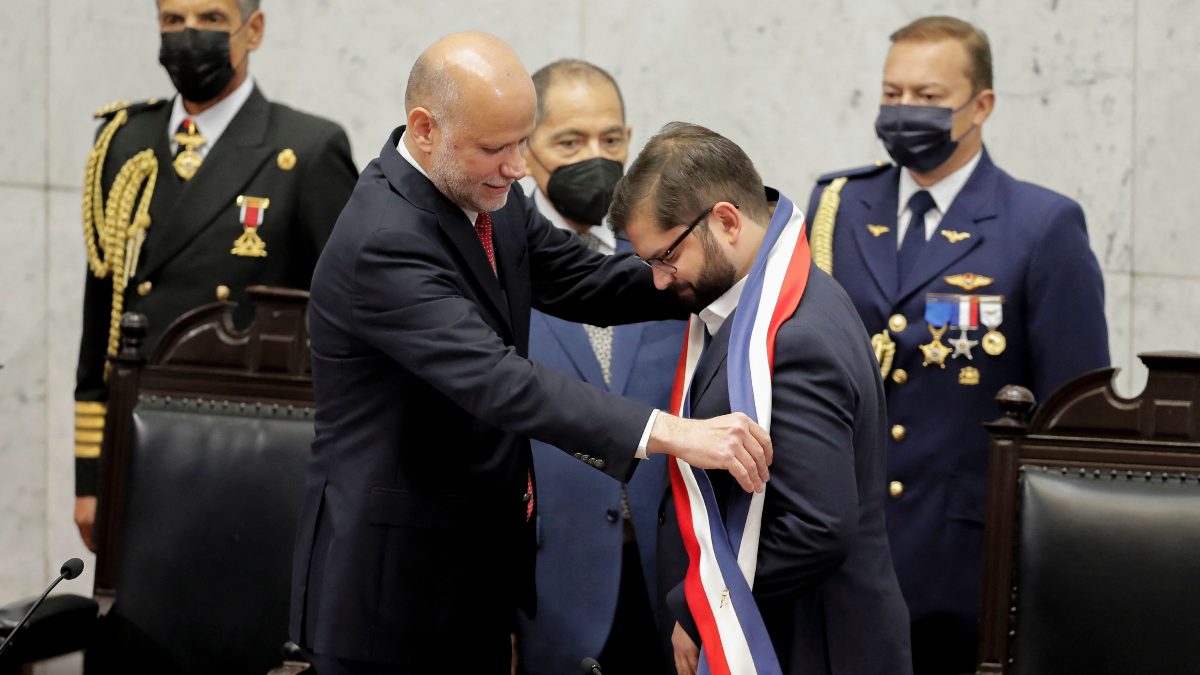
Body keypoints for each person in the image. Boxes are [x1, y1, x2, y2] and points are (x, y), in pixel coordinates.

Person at [288, 33, 772, 675]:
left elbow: (585, 279)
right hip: (390, 589)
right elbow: (501, 382)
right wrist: (669, 433)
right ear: (425, 129)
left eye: (522, 141)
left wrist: (718, 265)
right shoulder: (383, 241)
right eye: (495, 148)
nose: (518, 168)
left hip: (475, 570)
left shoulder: (487, 194)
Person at [804, 16, 1109, 674]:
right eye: (893, 94)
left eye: (928, 97)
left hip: (965, 563)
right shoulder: (837, 207)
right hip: (840, 550)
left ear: (981, 106)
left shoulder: (1040, 226)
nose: (905, 112)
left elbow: (1070, 420)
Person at [612, 121, 911, 675]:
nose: (658, 281)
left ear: (725, 220)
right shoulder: (760, 304)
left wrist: (696, 608)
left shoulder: (794, 337)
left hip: (805, 643)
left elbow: (815, 528)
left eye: (666, 257)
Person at [72, 0, 357, 551]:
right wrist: (91, 474)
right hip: (137, 443)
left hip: (252, 452)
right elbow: (101, 313)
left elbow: (343, 324)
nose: (188, 34)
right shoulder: (123, 142)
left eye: (210, 20)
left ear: (253, 30)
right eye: (173, 21)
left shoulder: (306, 148)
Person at [515, 59, 682, 675]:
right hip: (543, 589)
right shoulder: (495, 261)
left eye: (611, 140)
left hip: (663, 591)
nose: (597, 157)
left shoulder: (668, 264)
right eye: (569, 141)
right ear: (525, 148)